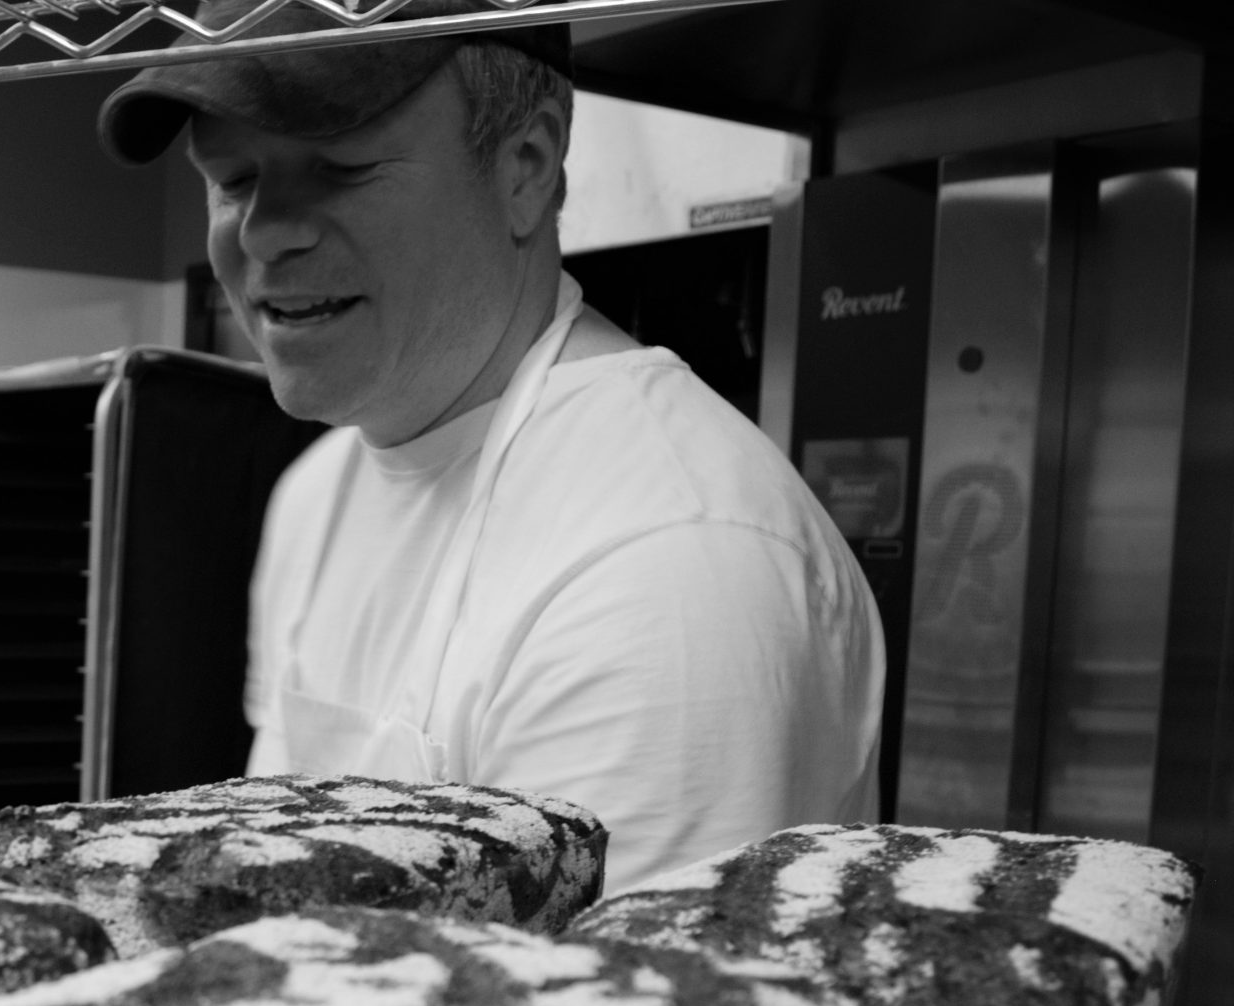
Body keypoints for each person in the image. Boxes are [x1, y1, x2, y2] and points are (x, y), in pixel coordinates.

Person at [98, 0, 884, 892]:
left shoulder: (669, 564)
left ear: (525, 167)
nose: (264, 232)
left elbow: (622, 982)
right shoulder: (315, 495)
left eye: (341, 168)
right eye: (234, 179)